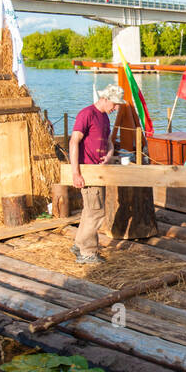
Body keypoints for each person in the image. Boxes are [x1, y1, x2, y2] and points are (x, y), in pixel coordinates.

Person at [68, 84, 125, 265]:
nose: (116, 108)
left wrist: (108, 155)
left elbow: (108, 142)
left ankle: (78, 245)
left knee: (89, 211)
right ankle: (87, 253)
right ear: (105, 99)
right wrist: (76, 172)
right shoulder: (87, 114)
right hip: (88, 170)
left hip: (99, 170)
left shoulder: (105, 118)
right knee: (96, 213)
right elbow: (73, 142)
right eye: (114, 104)